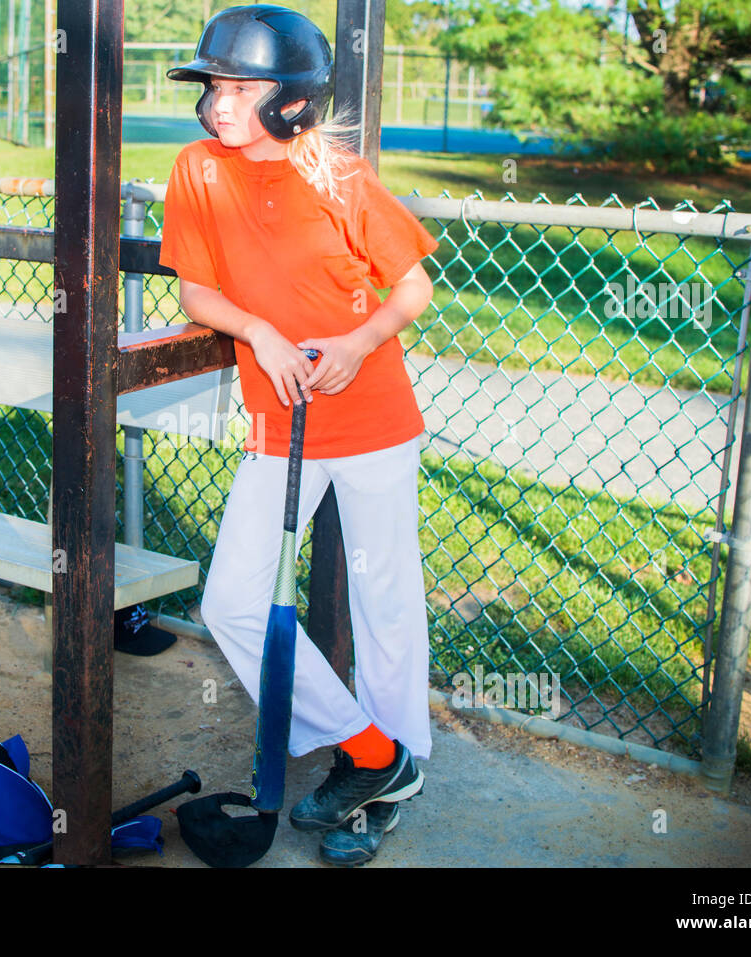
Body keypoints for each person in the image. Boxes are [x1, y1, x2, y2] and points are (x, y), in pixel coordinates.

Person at [159, 5, 439, 866]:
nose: (218, 104)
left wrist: (355, 344)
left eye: (240, 88)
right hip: (280, 423)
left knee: (384, 596)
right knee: (233, 600)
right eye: (213, 87)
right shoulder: (198, 170)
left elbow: (413, 287)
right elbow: (196, 292)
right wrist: (259, 332)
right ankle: (367, 751)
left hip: (375, 415)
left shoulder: (336, 174)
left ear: (291, 100)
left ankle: (398, 770)